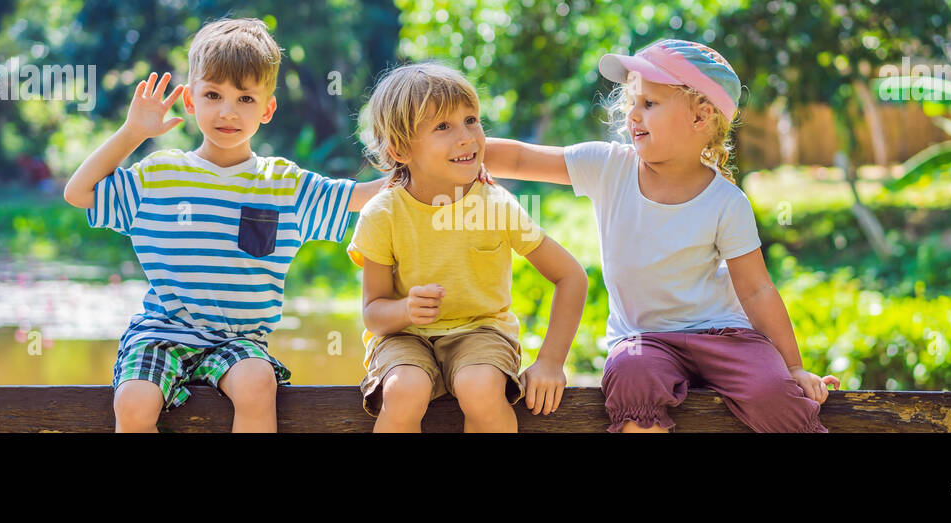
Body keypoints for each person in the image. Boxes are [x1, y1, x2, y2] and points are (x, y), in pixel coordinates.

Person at [484, 39, 839, 433]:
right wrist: (447, 150)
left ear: (701, 118)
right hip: (644, 340)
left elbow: (756, 291)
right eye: (632, 103)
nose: (632, 115)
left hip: (725, 335)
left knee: (775, 393)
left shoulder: (726, 201)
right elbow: (519, 158)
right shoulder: (608, 167)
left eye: (649, 104)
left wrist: (793, 368)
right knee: (630, 376)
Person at [62, 18, 387, 432]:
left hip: (239, 341)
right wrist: (132, 133)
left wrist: (428, 166)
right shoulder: (159, 175)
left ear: (267, 108)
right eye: (213, 95)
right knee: (134, 401)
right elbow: (79, 193)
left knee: (257, 383)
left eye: (246, 99)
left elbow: (360, 196)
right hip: (163, 332)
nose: (228, 111)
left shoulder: (283, 183)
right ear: (191, 101)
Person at [347, 63, 588, 432]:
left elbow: (570, 275)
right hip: (404, 338)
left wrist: (551, 362)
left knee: (480, 389)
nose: (467, 137)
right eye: (443, 126)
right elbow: (374, 314)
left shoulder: (496, 205)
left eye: (471, 119)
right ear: (399, 149)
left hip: (481, 333)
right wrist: (406, 310)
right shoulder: (383, 213)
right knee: (404, 390)